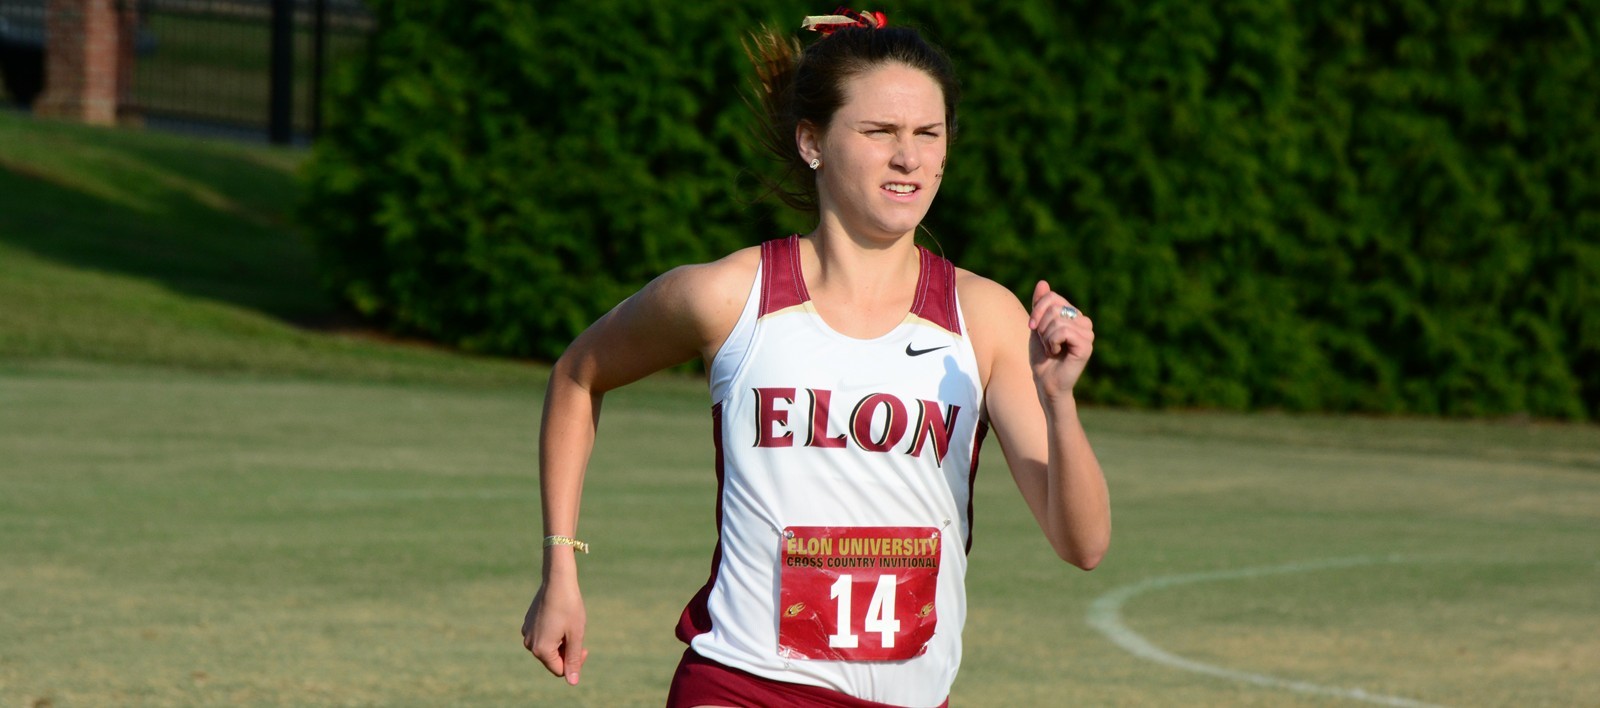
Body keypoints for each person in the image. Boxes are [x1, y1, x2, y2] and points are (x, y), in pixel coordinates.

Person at [521, 8, 1110, 707]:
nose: (909, 157)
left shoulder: (982, 318)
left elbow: (1084, 544)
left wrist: (1060, 401)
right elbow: (577, 375)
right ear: (812, 142)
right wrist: (561, 565)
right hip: (739, 685)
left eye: (928, 133)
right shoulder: (729, 296)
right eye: (879, 132)